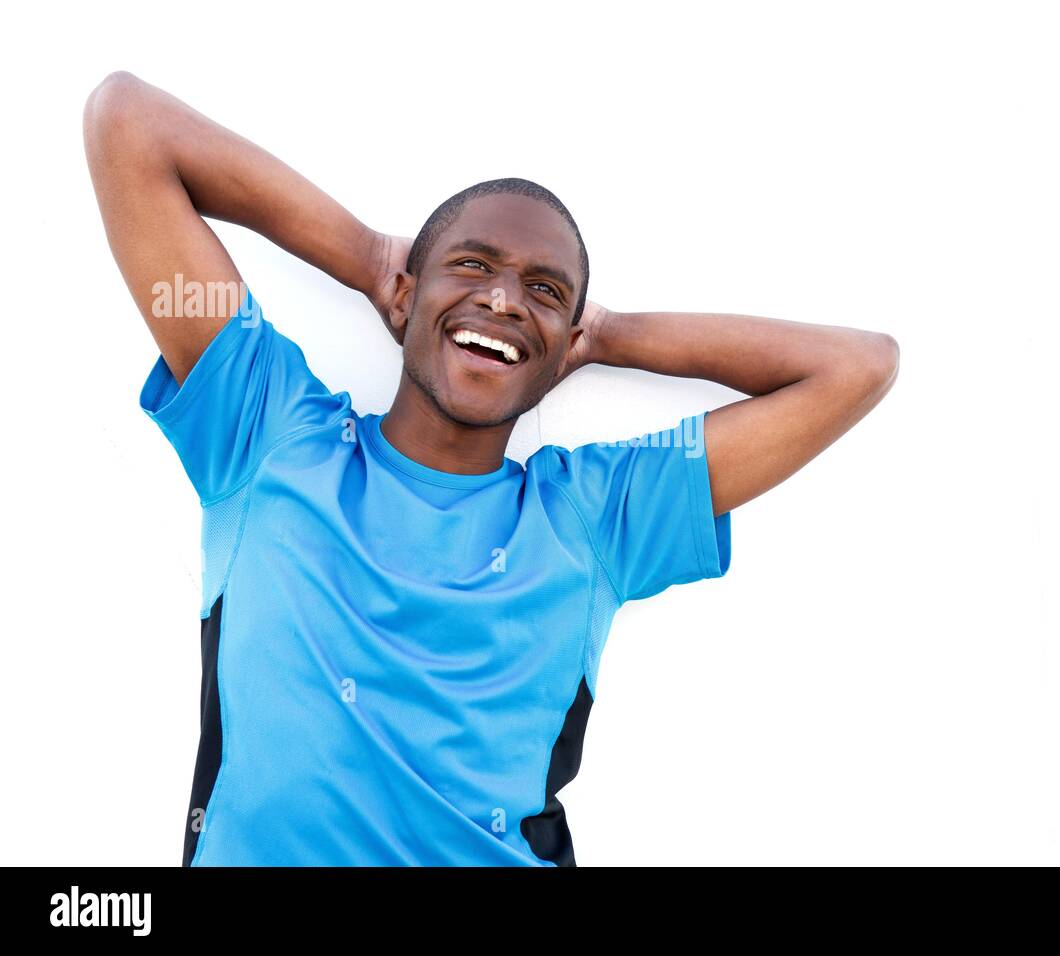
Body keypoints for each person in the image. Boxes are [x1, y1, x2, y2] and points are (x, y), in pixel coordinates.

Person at [83, 71, 900, 866]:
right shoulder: (266, 432)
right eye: (471, 266)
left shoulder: (591, 516)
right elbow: (129, 122)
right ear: (409, 298)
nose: (506, 300)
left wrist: (607, 334)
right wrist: (373, 261)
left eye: (544, 291)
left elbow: (857, 366)